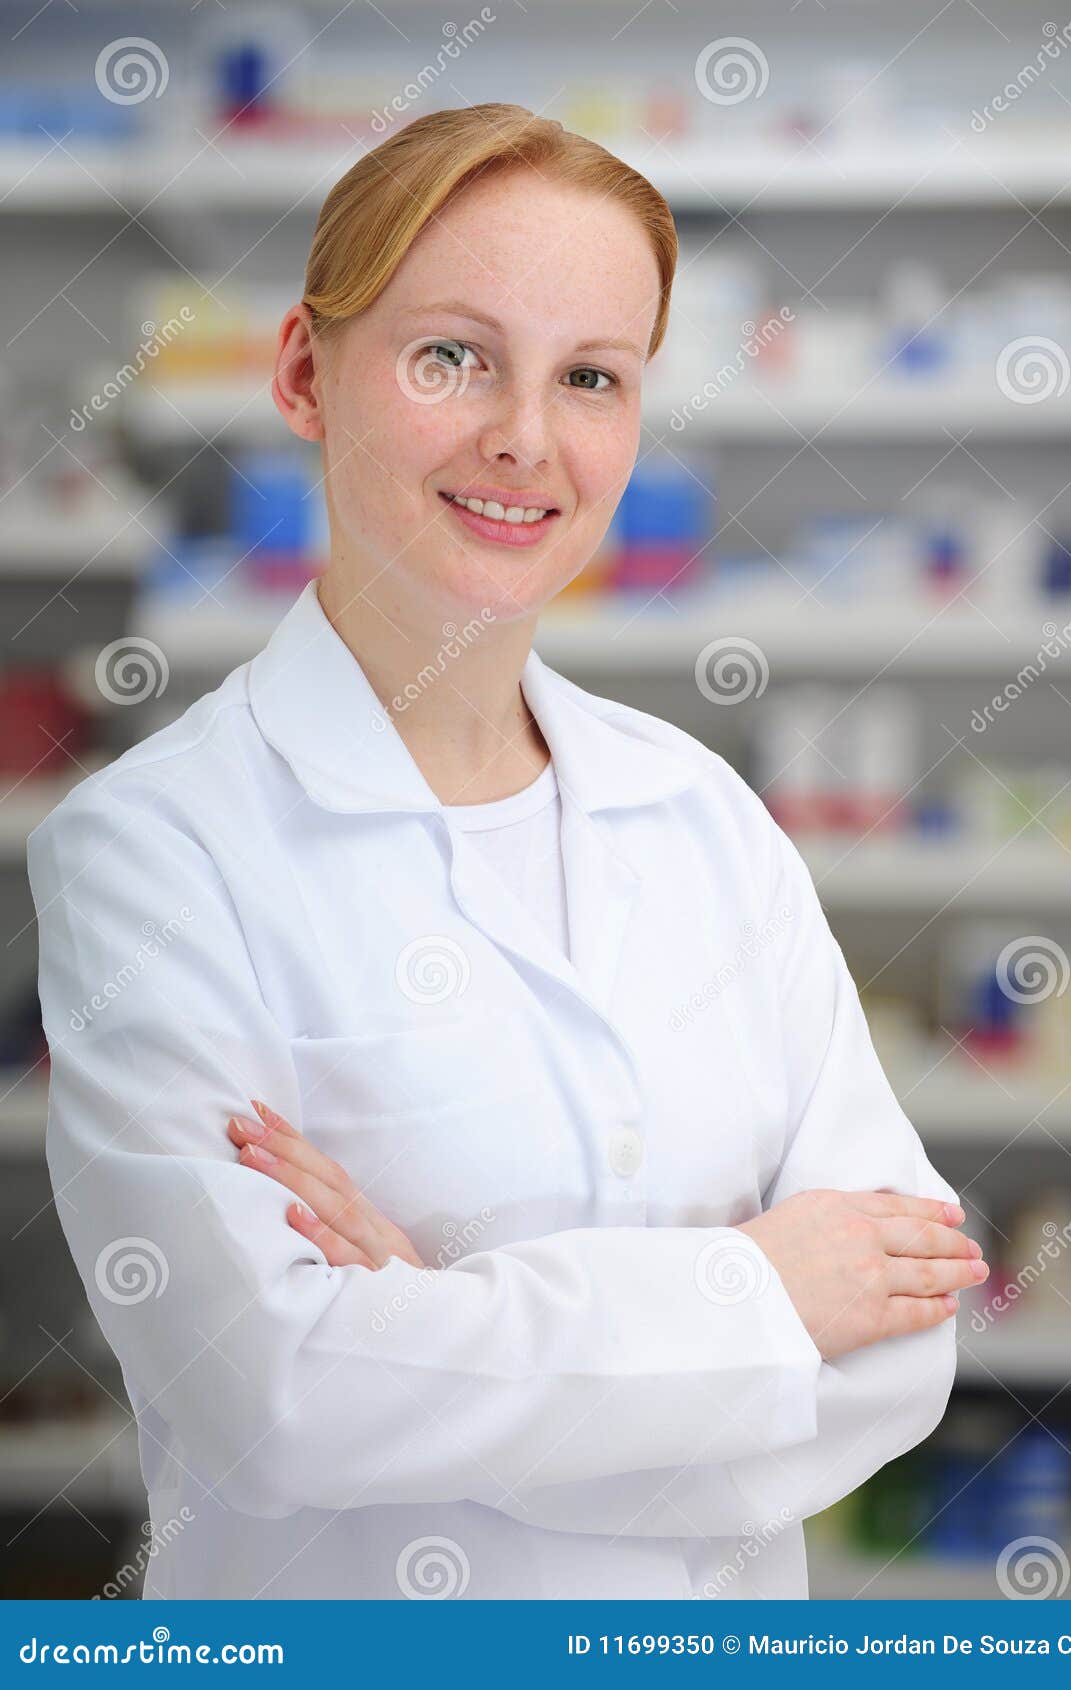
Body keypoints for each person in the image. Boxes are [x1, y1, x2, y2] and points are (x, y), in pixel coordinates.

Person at [28, 104, 987, 1601]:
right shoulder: (153, 851)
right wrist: (756, 1300)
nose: (524, 437)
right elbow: (275, 1397)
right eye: (452, 356)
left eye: (589, 376)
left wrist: (437, 1316)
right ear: (302, 371)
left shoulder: (705, 817)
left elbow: (905, 1338)